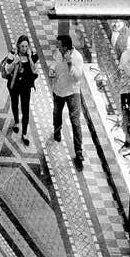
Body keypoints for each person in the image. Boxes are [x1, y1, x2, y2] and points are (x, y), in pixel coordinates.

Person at [51, 33, 85, 168]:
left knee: (75, 121)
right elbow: (55, 64)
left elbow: (78, 77)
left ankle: (78, 151)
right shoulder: (58, 53)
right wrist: (52, 70)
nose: (57, 47)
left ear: (65, 47)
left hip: (72, 92)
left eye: (59, 45)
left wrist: (70, 63)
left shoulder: (77, 57)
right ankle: (57, 131)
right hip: (59, 89)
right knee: (56, 113)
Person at [1, 35, 39, 145]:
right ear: (18, 45)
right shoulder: (13, 54)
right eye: (22, 46)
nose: (24, 48)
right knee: (14, 102)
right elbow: (7, 70)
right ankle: (17, 121)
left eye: (26, 46)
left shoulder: (32, 55)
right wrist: (14, 62)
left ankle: (25, 133)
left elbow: (35, 70)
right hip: (14, 84)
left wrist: (30, 58)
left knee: (25, 108)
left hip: (26, 86)